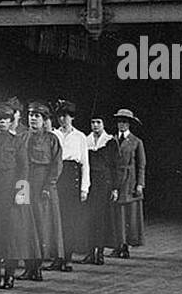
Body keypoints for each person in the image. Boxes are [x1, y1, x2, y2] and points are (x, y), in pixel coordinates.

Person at [0, 102, 40, 288]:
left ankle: (9, 275)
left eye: (5, 119)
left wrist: (21, 194)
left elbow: (24, 169)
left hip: (11, 194)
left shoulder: (17, 142)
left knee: (11, 236)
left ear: (10, 122)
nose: (1, 122)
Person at [22, 101, 63, 282]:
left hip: (43, 186)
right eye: (31, 115)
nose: (33, 119)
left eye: (37, 116)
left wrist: (48, 185)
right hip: (24, 184)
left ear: (44, 119)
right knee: (24, 224)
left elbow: (56, 165)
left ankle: (37, 267)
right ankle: (27, 266)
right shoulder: (22, 137)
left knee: (41, 225)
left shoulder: (52, 139)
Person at [52, 100, 91, 270]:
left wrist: (84, 188)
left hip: (72, 178)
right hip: (56, 177)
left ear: (72, 117)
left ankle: (67, 257)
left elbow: (85, 164)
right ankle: (56, 258)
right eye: (60, 116)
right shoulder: (53, 134)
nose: (63, 119)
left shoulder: (80, 136)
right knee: (56, 220)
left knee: (69, 220)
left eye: (66, 116)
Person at [84, 115, 121, 264]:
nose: (95, 125)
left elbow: (115, 166)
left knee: (101, 218)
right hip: (90, 183)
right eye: (93, 122)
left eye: (98, 122)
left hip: (104, 184)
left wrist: (115, 188)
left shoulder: (110, 141)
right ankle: (89, 253)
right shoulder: (85, 140)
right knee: (89, 218)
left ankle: (99, 253)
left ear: (103, 124)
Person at [112, 108, 146, 257]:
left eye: (125, 122)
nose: (122, 124)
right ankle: (118, 244)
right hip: (115, 181)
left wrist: (140, 184)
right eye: (119, 121)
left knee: (129, 215)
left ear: (129, 124)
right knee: (117, 215)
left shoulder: (136, 142)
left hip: (129, 181)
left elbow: (141, 165)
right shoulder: (111, 140)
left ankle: (126, 246)